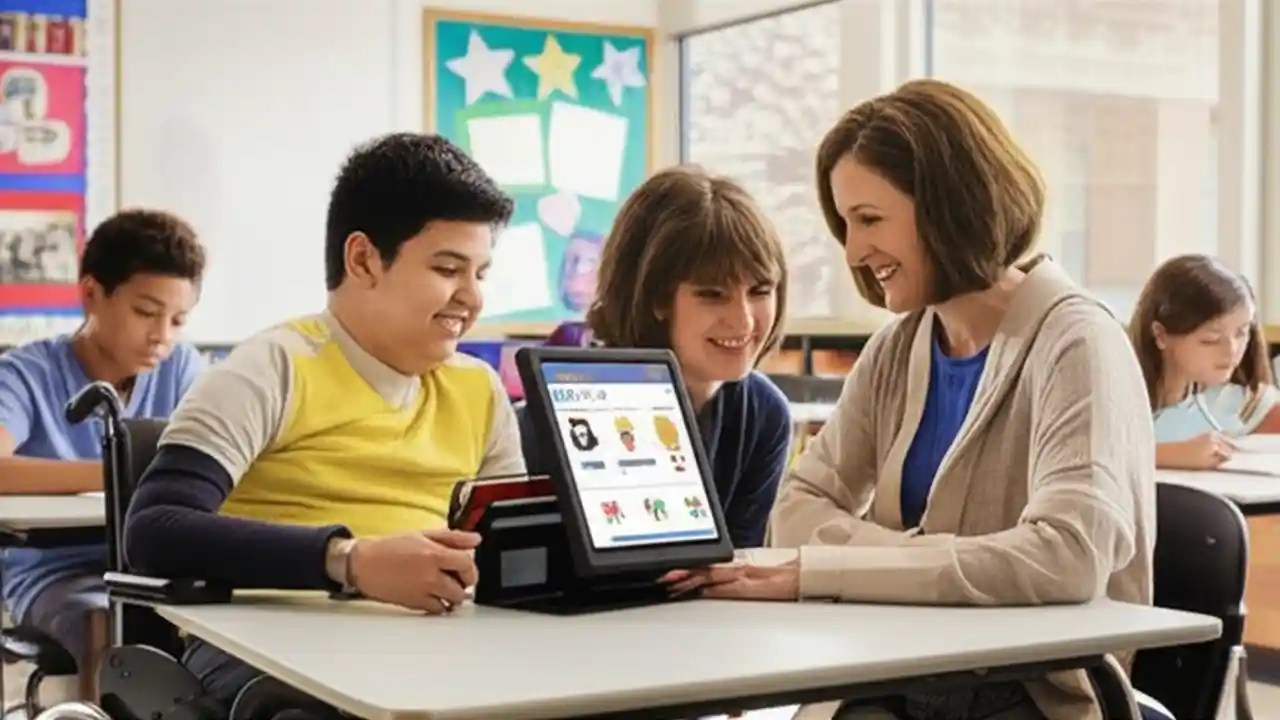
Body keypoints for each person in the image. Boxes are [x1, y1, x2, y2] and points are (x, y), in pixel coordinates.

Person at [665, 80, 1162, 720]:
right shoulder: (899, 346)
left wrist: (833, 568)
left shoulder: (1078, 342)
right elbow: (797, 512)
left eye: (870, 219)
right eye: (846, 224)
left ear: (950, 207)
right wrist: (925, 561)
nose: (853, 250)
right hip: (905, 668)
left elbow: (1065, 559)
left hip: (1029, 687)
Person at [123, 133, 525, 710]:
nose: (472, 297)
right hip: (269, 653)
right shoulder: (275, 366)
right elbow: (156, 527)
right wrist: (351, 562)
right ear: (363, 259)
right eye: (447, 268)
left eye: (481, 273)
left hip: (436, 650)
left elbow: (514, 547)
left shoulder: (477, 389)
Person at [520, 165, 793, 548]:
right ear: (655, 298)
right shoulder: (560, 408)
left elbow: (734, 571)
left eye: (760, 291)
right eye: (713, 294)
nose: (744, 320)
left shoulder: (765, 414)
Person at [0, 208, 205, 694]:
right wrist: (116, 472)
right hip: (57, 571)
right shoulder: (25, 374)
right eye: (145, 312)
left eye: (178, 319)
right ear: (91, 293)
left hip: (153, 565)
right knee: (103, 621)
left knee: (216, 627)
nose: (163, 336)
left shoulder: (180, 370)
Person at [1128, 254, 1280, 470]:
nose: (1232, 351)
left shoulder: (1239, 403)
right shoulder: (1120, 402)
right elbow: (1084, 459)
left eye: (1242, 333)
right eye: (1211, 340)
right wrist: (1169, 455)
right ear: (1160, 335)